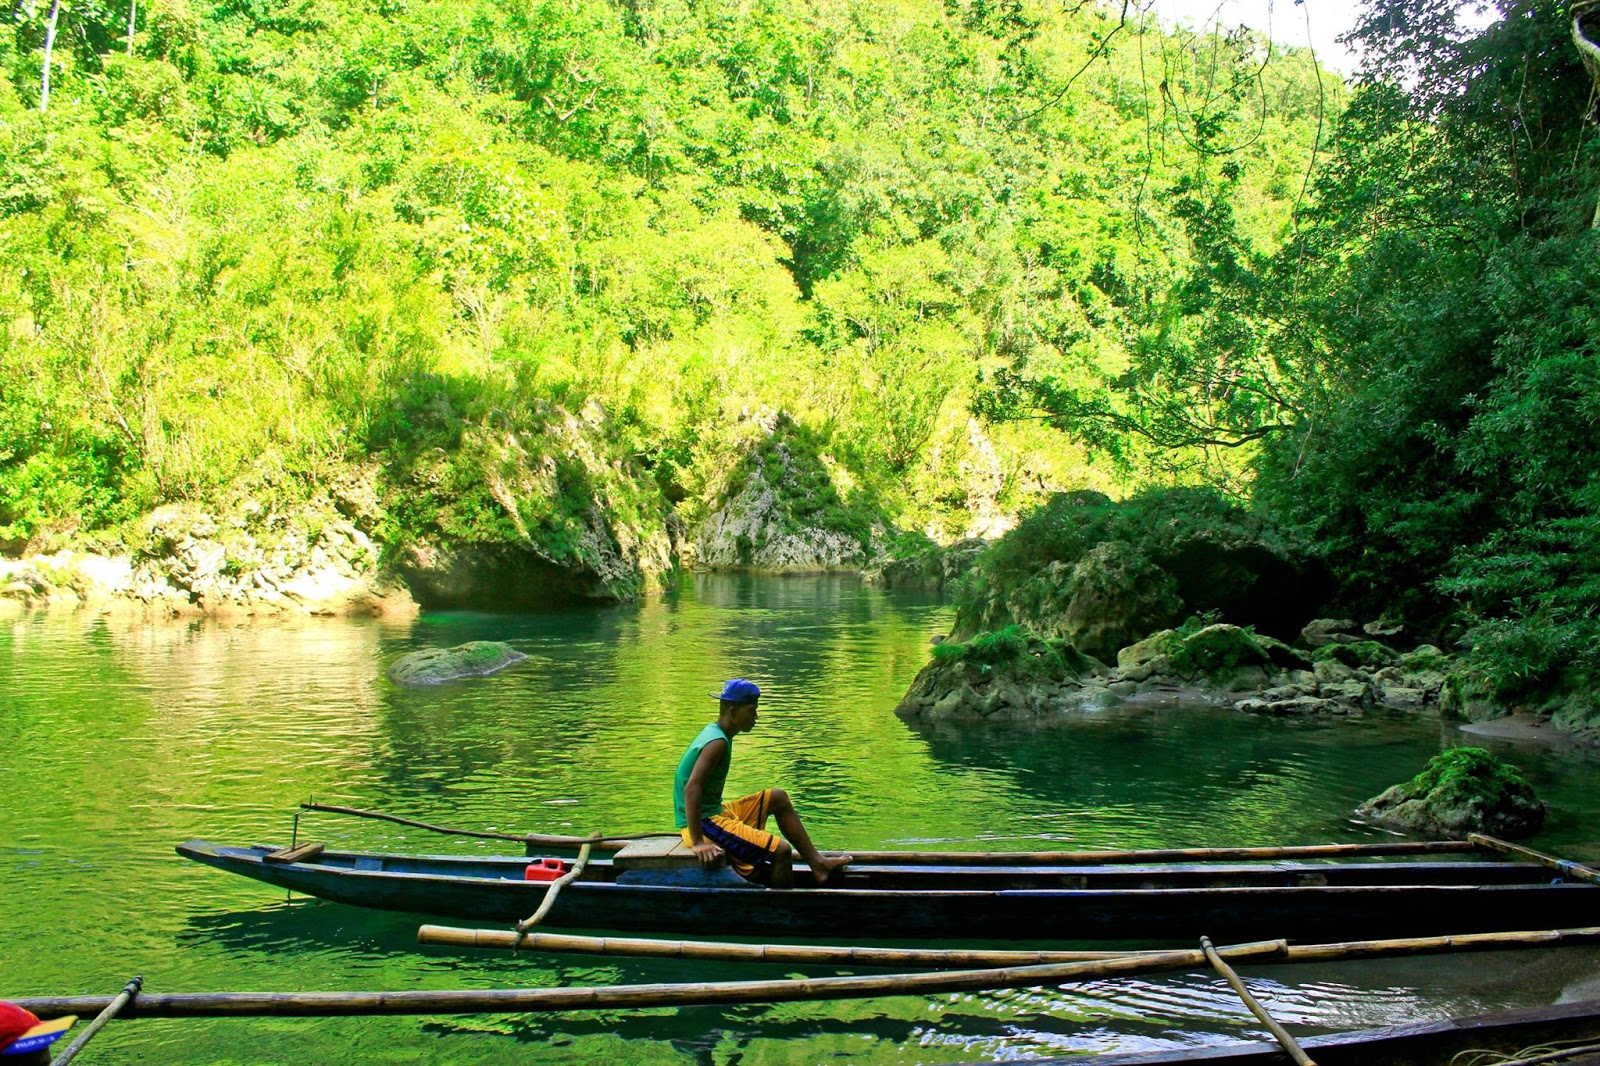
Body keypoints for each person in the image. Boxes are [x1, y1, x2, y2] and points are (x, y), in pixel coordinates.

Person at [673, 678, 851, 888]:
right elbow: (691, 787)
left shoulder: (717, 733)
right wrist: (699, 843)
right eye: (752, 710)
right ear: (732, 711)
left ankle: (818, 864)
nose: (756, 717)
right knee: (780, 851)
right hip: (703, 822)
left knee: (777, 797)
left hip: (713, 813)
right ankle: (782, 915)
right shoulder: (717, 743)